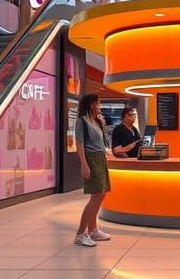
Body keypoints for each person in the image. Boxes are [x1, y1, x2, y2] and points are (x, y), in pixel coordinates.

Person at [74, 94, 113, 247]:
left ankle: (93, 230)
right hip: (91, 159)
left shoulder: (97, 121)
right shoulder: (81, 122)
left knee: (101, 194)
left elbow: (102, 144)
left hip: (100, 158)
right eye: (98, 103)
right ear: (91, 104)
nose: (100, 106)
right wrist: (84, 164)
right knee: (95, 196)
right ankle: (80, 233)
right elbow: (79, 144)